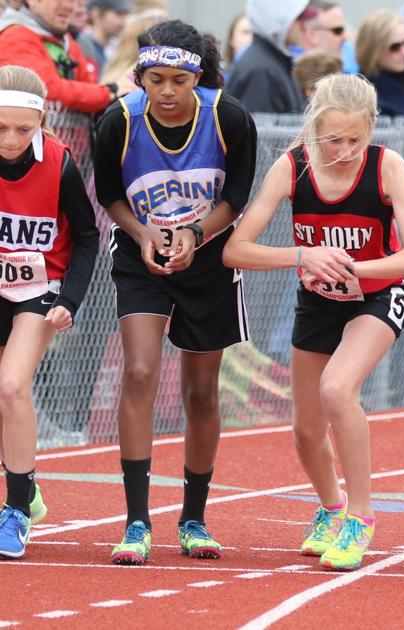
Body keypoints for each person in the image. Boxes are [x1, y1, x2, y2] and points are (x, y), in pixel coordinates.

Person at [224, 73, 404, 571]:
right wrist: (304, 256)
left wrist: (356, 267)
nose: (343, 151)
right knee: (305, 429)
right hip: (319, 296)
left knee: (338, 389)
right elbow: (236, 250)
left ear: (371, 130)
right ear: (315, 128)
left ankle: (360, 517)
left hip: (379, 292)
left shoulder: (386, 166)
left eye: (355, 140)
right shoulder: (291, 167)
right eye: (333, 139)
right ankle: (331, 507)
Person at [92, 19, 258, 566]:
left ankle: (193, 518)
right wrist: (143, 234)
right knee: (140, 370)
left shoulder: (229, 118)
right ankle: (136, 521)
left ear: (198, 78)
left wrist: (194, 234)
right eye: (155, 80)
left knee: (201, 392)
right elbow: (111, 194)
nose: (167, 92)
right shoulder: (117, 121)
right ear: (139, 76)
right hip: (140, 253)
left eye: (179, 81)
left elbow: (236, 196)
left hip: (208, 259)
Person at [0, 65, 98, 558]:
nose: (11, 139)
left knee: (12, 385)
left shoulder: (59, 164)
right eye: (1, 128)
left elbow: (87, 237)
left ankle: (16, 509)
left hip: (38, 288)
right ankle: (27, 487)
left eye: (23, 128)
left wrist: (69, 301)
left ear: (41, 121)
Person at [0, 0, 130, 115]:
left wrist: (113, 92)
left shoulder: (65, 40)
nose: (69, 6)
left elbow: (88, 85)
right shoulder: (15, 35)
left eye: (73, 0)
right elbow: (47, 89)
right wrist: (108, 92)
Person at [225, 0, 316, 114]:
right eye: (297, 19)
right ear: (277, 21)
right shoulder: (262, 70)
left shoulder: (273, 62)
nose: (304, 26)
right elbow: (260, 124)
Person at [77, 0, 131, 75]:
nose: (124, 23)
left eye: (126, 16)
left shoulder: (114, 50)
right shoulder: (81, 46)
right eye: (119, 14)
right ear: (96, 14)